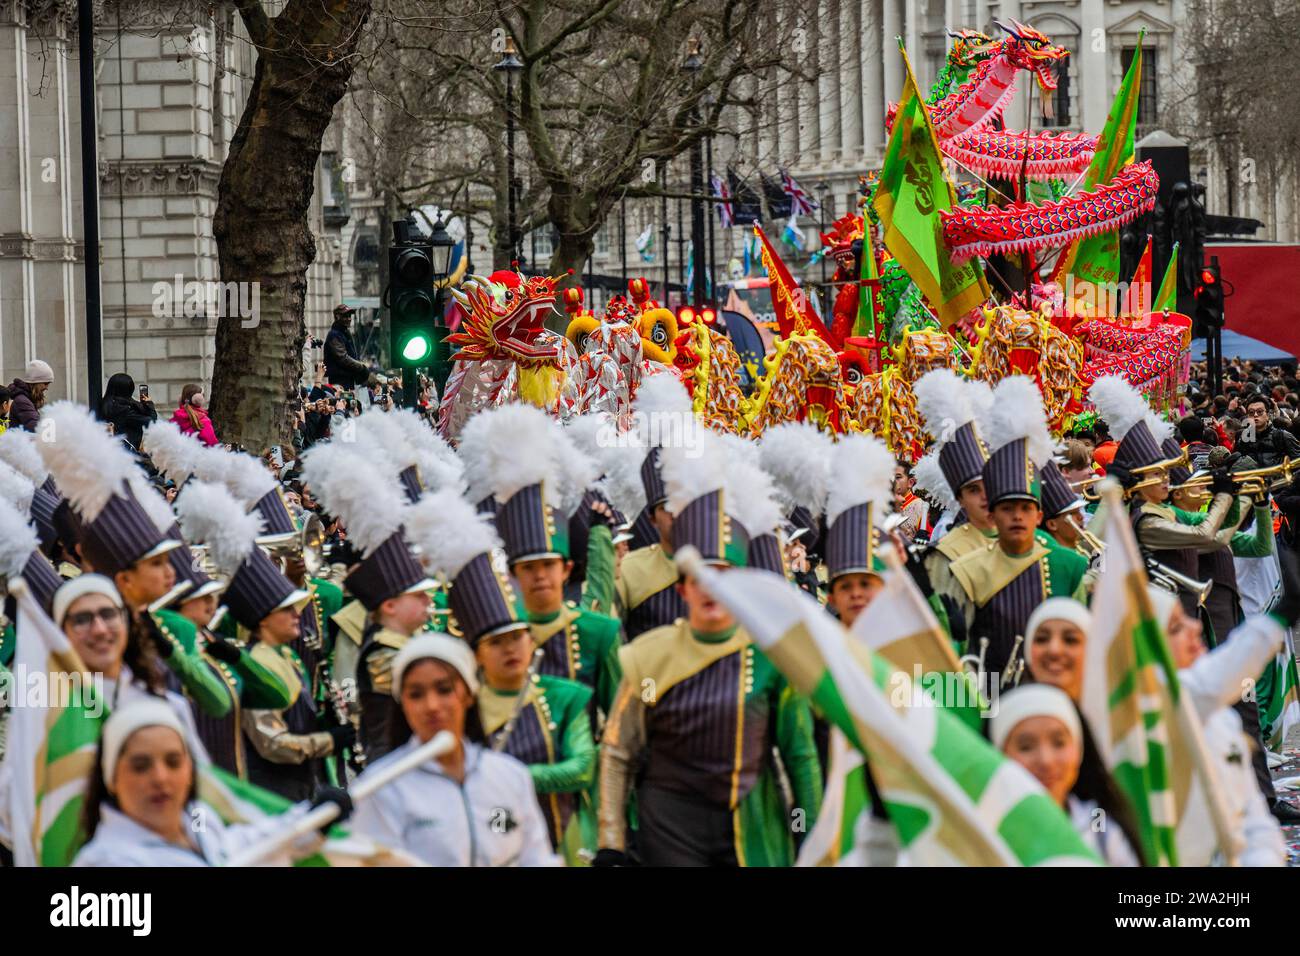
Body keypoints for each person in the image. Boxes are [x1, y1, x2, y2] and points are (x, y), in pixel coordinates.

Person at [597, 438, 823, 867]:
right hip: (668, 831)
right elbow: (618, 751)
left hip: (753, 827)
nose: (712, 589)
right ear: (682, 588)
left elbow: (800, 756)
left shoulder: (773, 658)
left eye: (722, 575)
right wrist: (610, 841)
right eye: (700, 578)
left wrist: (806, 835)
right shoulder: (648, 657)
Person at [349, 633, 561, 866]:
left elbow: (535, 857)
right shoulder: (382, 787)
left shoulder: (509, 777)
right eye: (416, 694)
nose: (432, 706)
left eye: (444, 689)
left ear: (469, 694)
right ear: (403, 704)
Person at [74, 699, 346, 867]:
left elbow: (242, 844)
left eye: (173, 762)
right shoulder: (105, 860)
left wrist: (311, 818)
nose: (160, 778)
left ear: (191, 771)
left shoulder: (198, 821)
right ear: (111, 778)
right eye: (140, 766)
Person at [944, 377, 1088, 679]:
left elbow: (1083, 641)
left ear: (1038, 515)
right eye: (1007, 509)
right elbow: (953, 653)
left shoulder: (1069, 565)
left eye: (1025, 508)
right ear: (995, 515)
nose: (1017, 517)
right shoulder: (963, 569)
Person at [1147, 585, 1292, 857]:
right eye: (1175, 628)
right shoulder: (1146, 716)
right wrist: (1282, 614)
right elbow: (1210, 682)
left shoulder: (1223, 720)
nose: (1196, 627)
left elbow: (1253, 821)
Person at [990, 685, 1142, 866]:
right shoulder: (988, 828)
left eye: (1058, 743)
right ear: (999, 755)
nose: (1046, 760)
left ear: (1079, 750)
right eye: (1026, 747)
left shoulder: (1101, 828)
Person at [98, 372, 157, 452]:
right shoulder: (126, 410)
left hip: (108, 452)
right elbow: (152, 422)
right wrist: (150, 405)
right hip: (126, 455)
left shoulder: (104, 404)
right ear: (130, 390)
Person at [323, 303, 371, 390]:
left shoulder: (344, 333)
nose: (349, 319)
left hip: (348, 378)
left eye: (349, 316)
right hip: (340, 381)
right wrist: (361, 366)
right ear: (337, 317)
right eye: (345, 316)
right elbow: (343, 358)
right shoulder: (334, 334)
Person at [7, 359, 53, 432]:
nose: (47, 388)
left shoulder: (27, 399)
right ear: (35, 382)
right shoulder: (22, 401)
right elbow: (36, 427)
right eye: (45, 383)